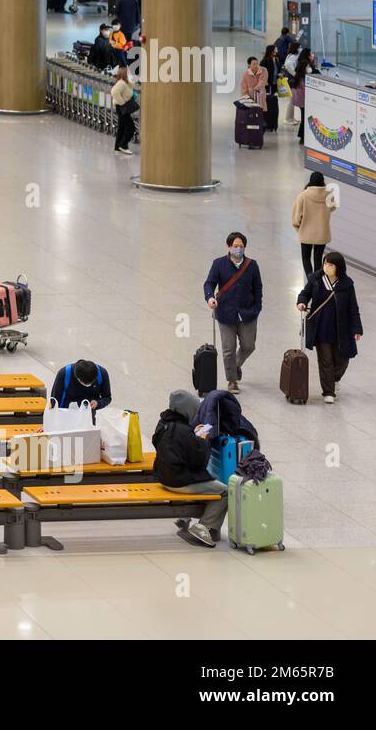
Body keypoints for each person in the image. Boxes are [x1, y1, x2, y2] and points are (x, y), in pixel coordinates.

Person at [152, 390, 229, 548]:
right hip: (179, 480)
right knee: (224, 491)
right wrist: (202, 440)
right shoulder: (183, 432)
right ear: (187, 410)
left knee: (206, 486)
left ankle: (185, 517)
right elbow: (199, 462)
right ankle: (204, 527)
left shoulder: (164, 423)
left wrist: (192, 436)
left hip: (162, 475)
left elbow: (171, 444)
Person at [297, 251, 364, 404]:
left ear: (338, 267)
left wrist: (357, 329)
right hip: (321, 328)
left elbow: (353, 308)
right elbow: (305, 293)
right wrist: (301, 302)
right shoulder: (316, 280)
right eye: (325, 263)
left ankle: (334, 379)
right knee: (325, 360)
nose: (326, 266)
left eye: (330, 264)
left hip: (342, 330)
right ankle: (328, 391)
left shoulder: (347, 285)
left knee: (343, 359)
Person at [203, 232, 262, 394]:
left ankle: (235, 366)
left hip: (247, 313)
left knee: (248, 346)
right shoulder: (219, 264)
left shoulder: (252, 265)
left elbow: (258, 288)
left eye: (241, 246)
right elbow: (209, 283)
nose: (238, 249)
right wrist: (209, 298)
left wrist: (257, 308)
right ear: (228, 247)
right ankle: (232, 380)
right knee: (228, 349)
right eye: (235, 246)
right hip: (225, 313)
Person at [292, 172, 338, 282]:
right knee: (318, 258)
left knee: (306, 258)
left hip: (306, 233)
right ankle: (317, 280)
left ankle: (311, 280)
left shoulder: (303, 195)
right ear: (323, 181)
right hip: (322, 233)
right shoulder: (329, 194)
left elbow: (296, 218)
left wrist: (299, 228)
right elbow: (333, 207)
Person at [111, 65, 137, 154]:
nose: (129, 74)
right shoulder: (121, 83)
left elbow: (132, 85)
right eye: (128, 73)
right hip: (121, 107)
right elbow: (114, 92)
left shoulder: (124, 82)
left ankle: (117, 147)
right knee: (131, 127)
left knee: (122, 127)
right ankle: (123, 145)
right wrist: (122, 103)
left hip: (121, 107)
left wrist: (130, 80)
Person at [259, 43, 282, 132]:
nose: (277, 51)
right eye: (275, 49)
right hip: (266, 85)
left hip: (274, 84)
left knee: (271, 102)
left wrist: (280, 74)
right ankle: (266, 122)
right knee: (266, 103)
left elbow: (278, 69)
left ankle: (271, 122)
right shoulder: (264, 61)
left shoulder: (276, 59)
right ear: (271, 51)